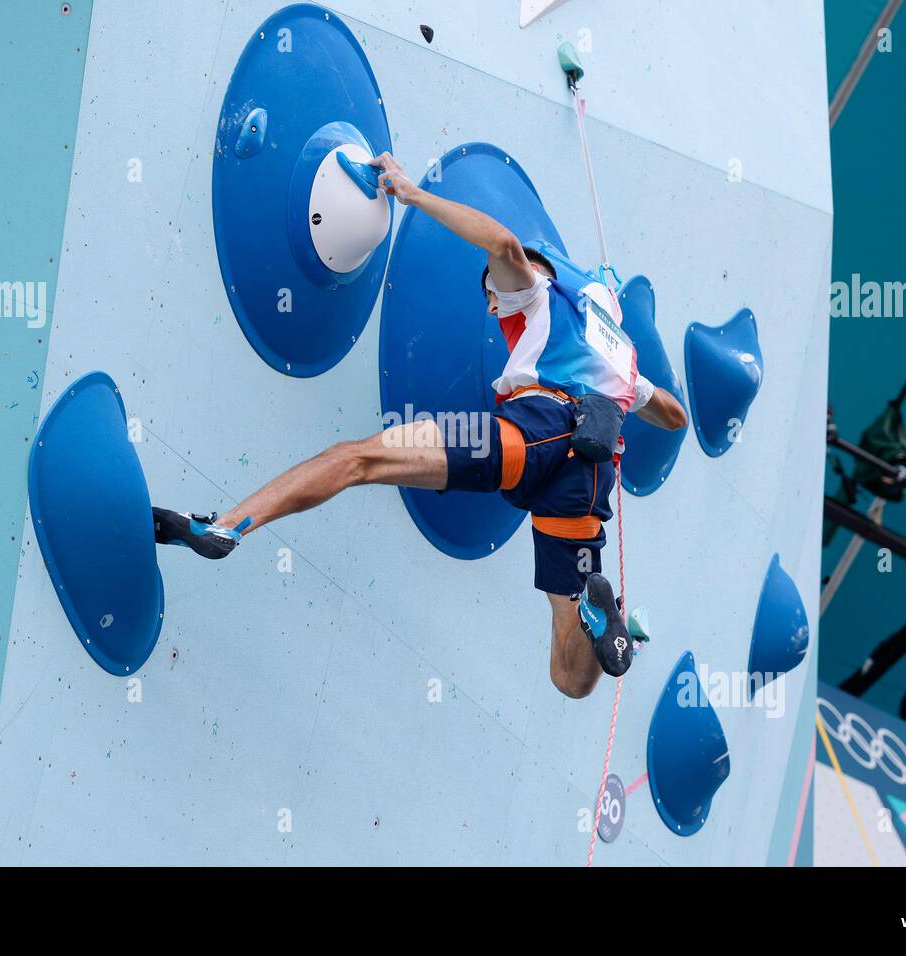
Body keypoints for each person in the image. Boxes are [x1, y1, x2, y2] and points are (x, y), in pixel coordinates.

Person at [155, 153, 687, 699]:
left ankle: (229, 526)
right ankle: (598, 618)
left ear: (531, 277)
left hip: (531, 436)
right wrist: (632, 387)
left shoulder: (536, 295)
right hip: (586, 479)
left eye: (490, 296)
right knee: (570, 676)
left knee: (357, 459)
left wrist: (412, 193)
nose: (490, 307)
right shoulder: (618, 356)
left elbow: (502, 244)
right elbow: (674, 416)